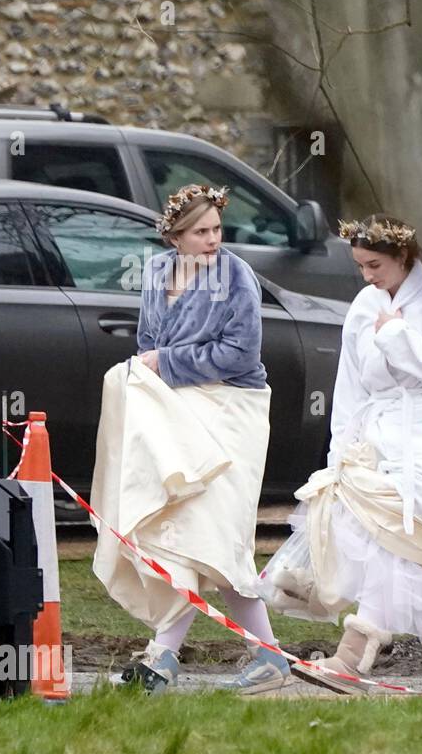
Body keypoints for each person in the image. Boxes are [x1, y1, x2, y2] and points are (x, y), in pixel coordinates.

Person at [267, 215, 422, 694]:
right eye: (361, 266)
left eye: (375, 264)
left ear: (403, 257)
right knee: (396, 544)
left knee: (404, 539)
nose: (367, 275)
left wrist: (396, 335)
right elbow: (349, 383)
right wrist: (339, 450)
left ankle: (355, 655)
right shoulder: (365, 303)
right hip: (378, 433)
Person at [93, 184, 286, 693]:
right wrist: (154, 371)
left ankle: (175, 659)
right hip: (177, 409)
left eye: (217, 229)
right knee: (189, 536)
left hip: (231, 409)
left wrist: (169, 364)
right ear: (175, 238)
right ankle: (193, 658)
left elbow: (242, 353)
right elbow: (147, 342)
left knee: (215, 532)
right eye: (200, 232)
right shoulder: (157, 272)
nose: (212, 240)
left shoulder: (235, 275)